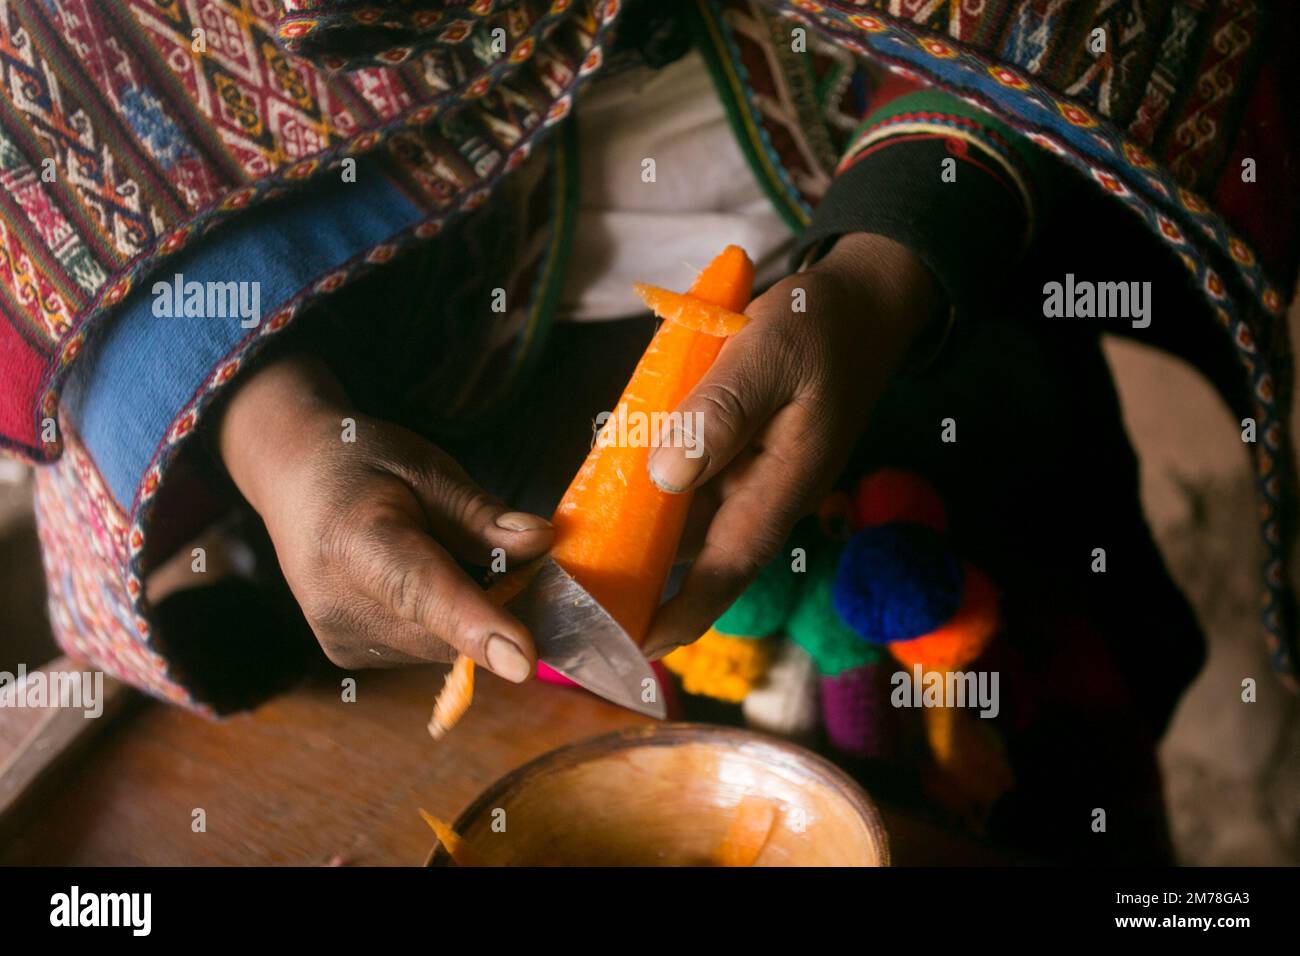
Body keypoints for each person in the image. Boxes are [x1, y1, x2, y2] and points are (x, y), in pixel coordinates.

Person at [1, 1, 1295, 862]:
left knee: (1016, 773)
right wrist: (283, 446)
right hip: (412, 426)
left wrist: (893, 264)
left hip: (922, 298)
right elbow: (66, 104)